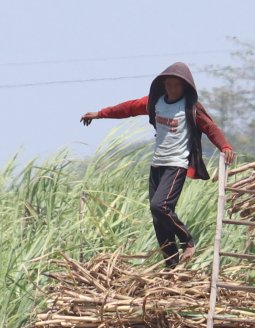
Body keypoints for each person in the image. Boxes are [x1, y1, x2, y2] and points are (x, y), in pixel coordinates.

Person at [81, 62, 235, 267]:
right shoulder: (155, 103)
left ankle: (187, 240)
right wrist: (99, 114)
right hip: (157, 164)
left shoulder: (190, 107)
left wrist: (224, 146)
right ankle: (171, 265)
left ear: (185, 86)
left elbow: (210, 127)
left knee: (160, 206)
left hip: (176, 164)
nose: (172, 89)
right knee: (157, 217)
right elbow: (127, 108)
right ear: (163, 86)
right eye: (168, 85)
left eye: (176, 85)